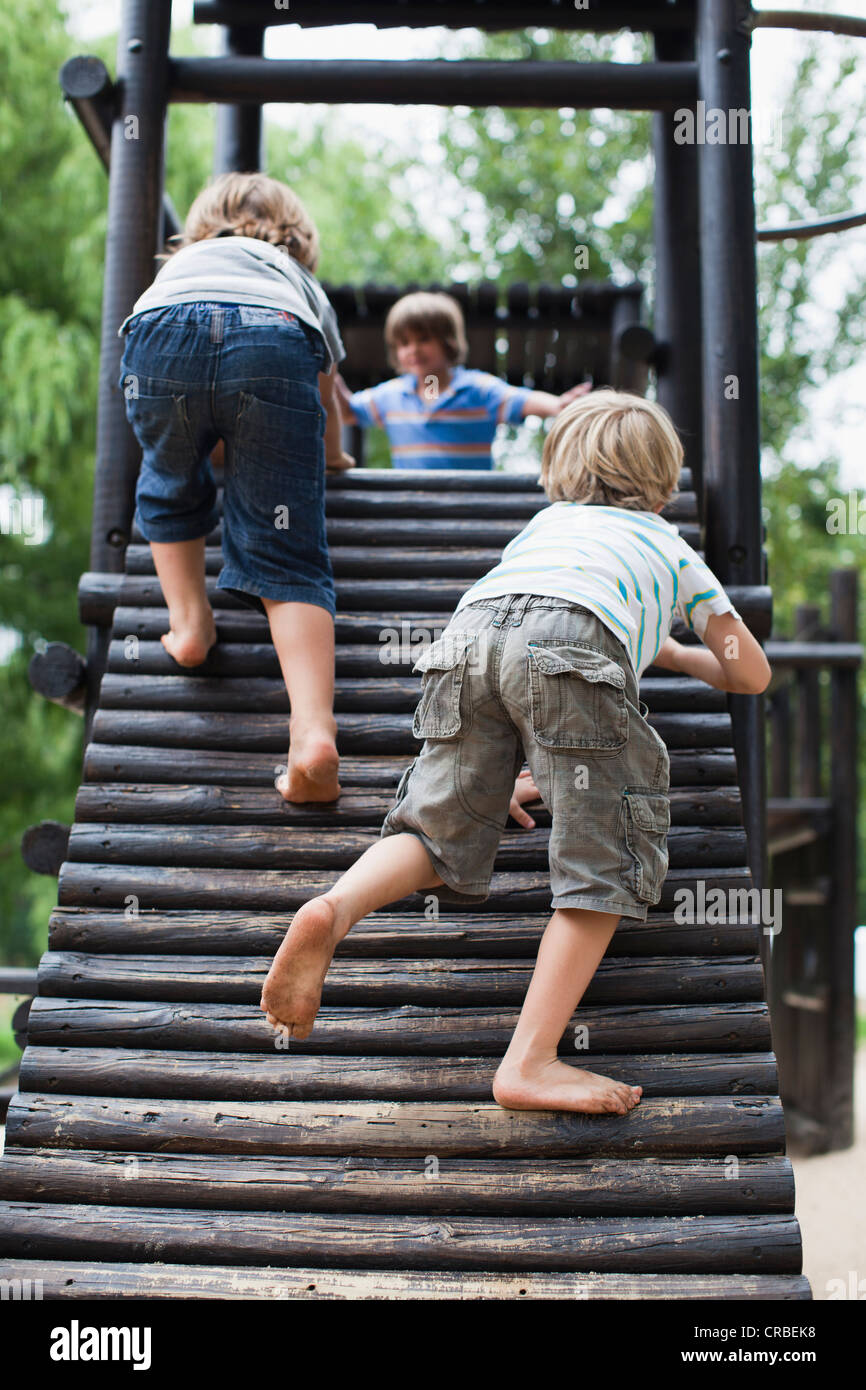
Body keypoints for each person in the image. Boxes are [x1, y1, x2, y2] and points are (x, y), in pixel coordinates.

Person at [260, 389, 771, 1114]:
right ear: (663, 486)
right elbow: (750, 673)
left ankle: (335, 909)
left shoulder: (543, 527)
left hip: (471, 633)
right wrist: (682, 653)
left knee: (436, 828)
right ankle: (530, 1061)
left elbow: (520, 655)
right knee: (606, 861)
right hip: (573, 645)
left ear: (559, 470)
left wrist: (504, 770)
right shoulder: (668, 545)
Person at [118, 173, 354, 804]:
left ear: (198, 228)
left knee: (168, 483)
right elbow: (325, 392)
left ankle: (189, 626)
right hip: (274, 337)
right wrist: (332, 458)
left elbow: (207, 384)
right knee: (288, 552)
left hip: (158, 332)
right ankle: (312, 731)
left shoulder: (184, 265)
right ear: (299, 237)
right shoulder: (292, 278)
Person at [335, 290, 591, 469]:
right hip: (410, 504)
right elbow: (347, 411)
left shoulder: (478, 389)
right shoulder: (390, 395)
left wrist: (557, 405)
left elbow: (523, 400)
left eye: (424, 339)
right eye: (404, 343)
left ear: (448, 342)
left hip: (470, 504)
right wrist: (328, 370)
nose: (413, 349)